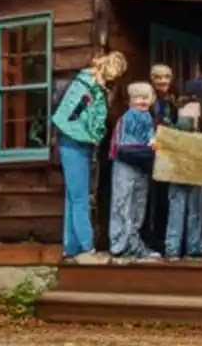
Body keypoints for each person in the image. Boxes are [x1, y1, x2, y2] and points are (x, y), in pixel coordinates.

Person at [50, 51, 127, 264]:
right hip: (75, 144)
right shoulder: (87, 88)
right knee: (81, 197)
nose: (115, 77)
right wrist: (94, 136)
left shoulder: (91, 86)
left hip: (77, 143)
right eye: (115, 72)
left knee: (73, 197)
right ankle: (86, 247)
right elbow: (73, 117)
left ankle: (71, 247)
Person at [108, 82, 161, 261]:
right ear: (130, 100)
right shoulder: (128, 117)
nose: (142, 101)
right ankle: (119, 244)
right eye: (137, 98)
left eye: (146, 97)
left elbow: (150, 137)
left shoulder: (147, 117)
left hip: (141, 165)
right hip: (126, 164)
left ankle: (134, 243)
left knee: (138, 206)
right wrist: (149, 147)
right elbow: (125, 144)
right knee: (122, 203)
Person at [165, 80, 202, 260]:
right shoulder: (193, 109)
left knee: (178, 208)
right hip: (192, 167)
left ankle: (173, 248)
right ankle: (193, 248)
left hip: (177, 167)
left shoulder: (176, 108)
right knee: (195, 210)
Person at [144, 64, 177, 252]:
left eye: (166, 76)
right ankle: (151, 240)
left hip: (169, 155)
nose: (163, 81)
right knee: (151, 198)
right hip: (152, 154)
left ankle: (164, 239)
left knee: (166, 198)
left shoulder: (173, 101)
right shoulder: (149, 101)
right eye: (158, 77)